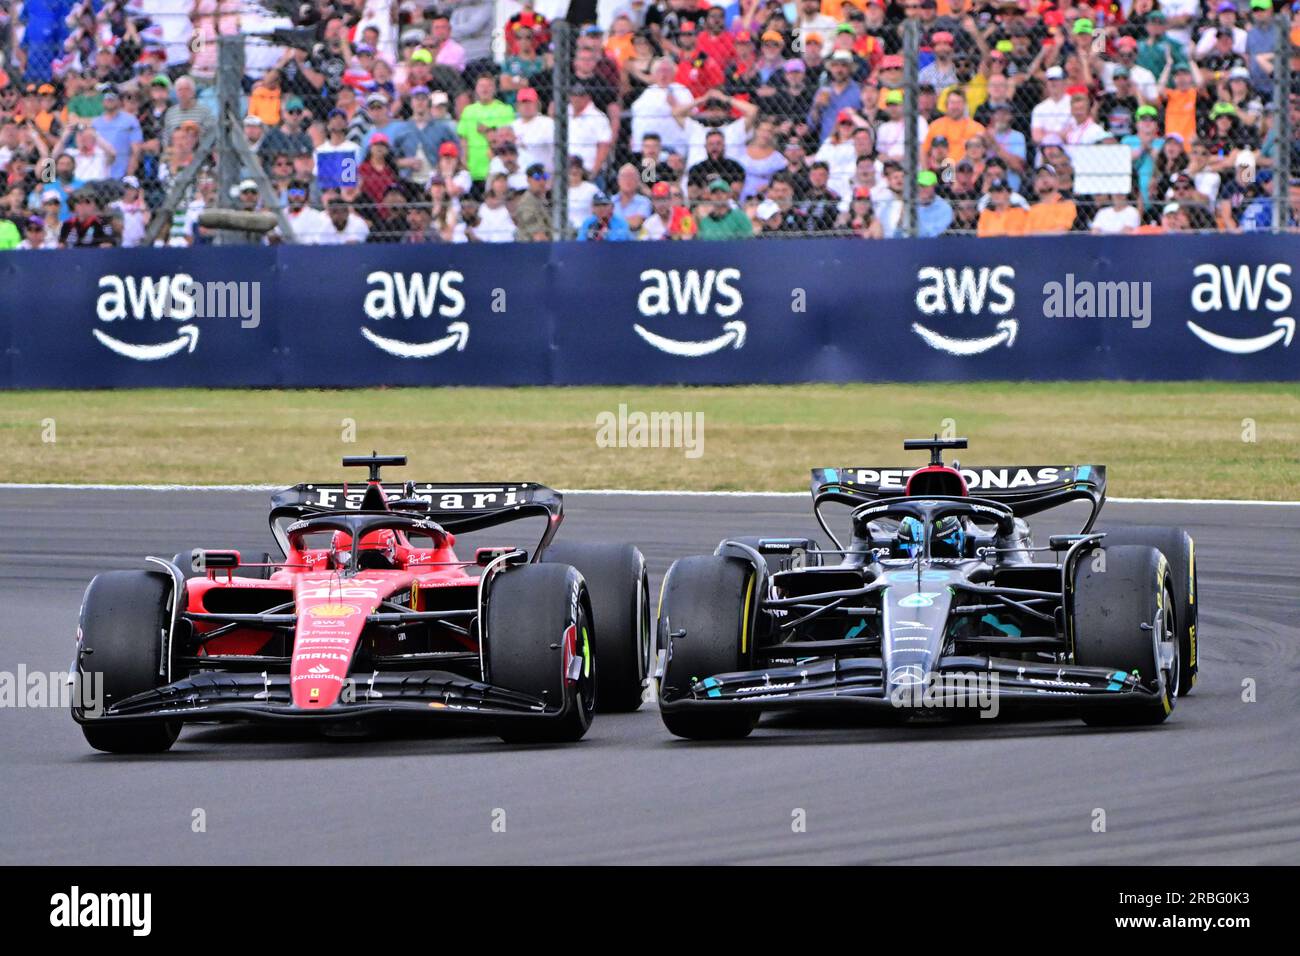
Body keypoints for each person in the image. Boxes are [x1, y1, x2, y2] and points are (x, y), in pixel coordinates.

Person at [514, 163, 553, 241]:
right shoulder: (527, 203)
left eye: (545, 177)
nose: (542, 182)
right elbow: (538, 237)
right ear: (528, 180)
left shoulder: (544, 200)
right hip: (532, 249)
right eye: (537, 178)